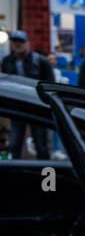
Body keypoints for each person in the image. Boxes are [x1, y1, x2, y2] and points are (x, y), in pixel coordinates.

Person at [1, 30, 54, 158]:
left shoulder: (40, 61)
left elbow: (50, 83)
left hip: (37, 106)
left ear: (27, 43)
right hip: (16, 107)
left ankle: (46, 175)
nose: (17, 45)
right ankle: (16, 175)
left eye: (20, 42)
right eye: (14, 42)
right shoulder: (7, 60)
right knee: (14, 143)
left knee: (41, 144)